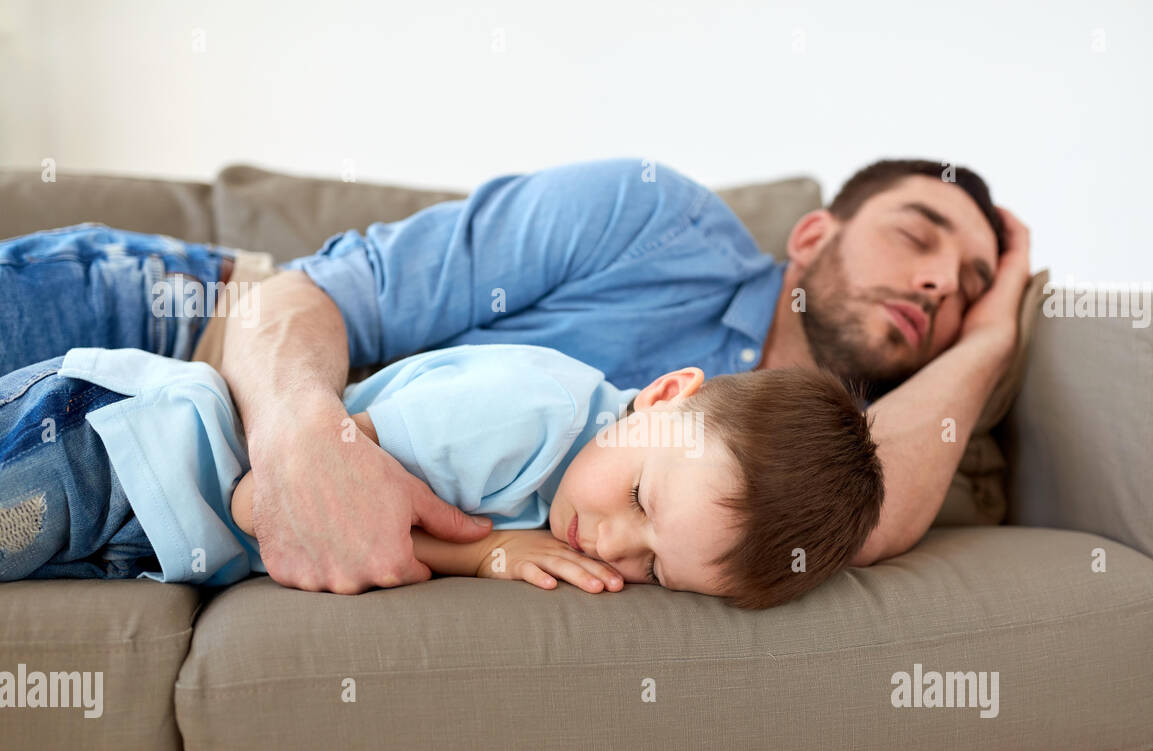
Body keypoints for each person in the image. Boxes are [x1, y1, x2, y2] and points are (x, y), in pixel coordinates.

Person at [0, 156, 1028, 593]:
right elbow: (302, 302)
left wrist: (990, 341)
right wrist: (306, 440)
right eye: (919, 234)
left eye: (971, 283)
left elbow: (877, 510)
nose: (940, 280)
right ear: (813, 234)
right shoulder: (648, 215)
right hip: (176, 320)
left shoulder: (785, 472)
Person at [0, 342, 884, 610]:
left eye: (655, 566)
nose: (613, 546)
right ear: (661, 395)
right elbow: (302, 493)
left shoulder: (582, 481)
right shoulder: (524, 415)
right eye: (642, 500)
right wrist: (489, 553)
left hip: (151, 538)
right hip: (118, 450)